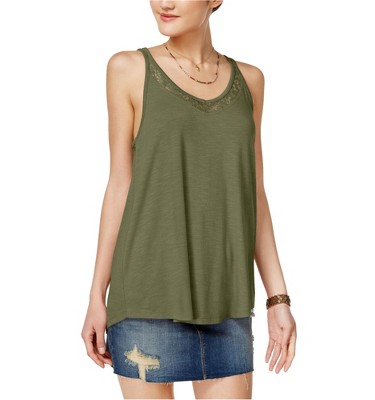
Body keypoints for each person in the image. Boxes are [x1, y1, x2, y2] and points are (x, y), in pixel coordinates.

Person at [81, 1, 297, 398]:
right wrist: (97, 295)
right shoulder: (128, 69)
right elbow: (119, 185)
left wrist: (277, 298)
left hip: (227, 302)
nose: (165, 3)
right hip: (145, 300)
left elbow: (254, 193)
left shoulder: (250, 81)